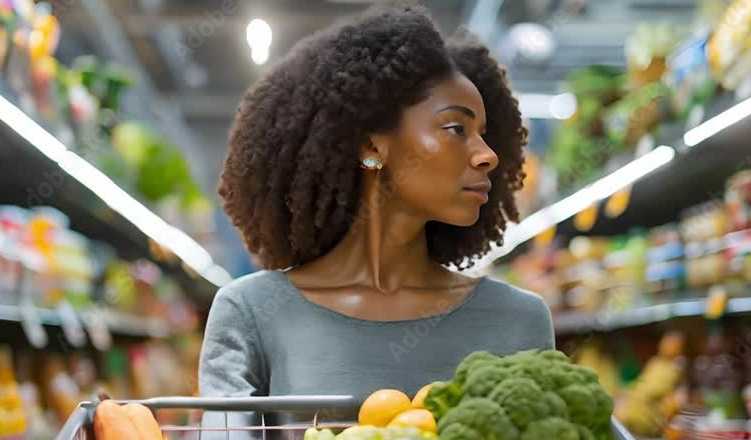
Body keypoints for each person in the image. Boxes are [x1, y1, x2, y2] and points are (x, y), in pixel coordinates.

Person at [199, 3, 554, 417]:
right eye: (456, 129)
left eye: (486, 135)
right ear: (371, 147)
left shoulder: (519, 320)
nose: (488, 156)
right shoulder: (251, 311)